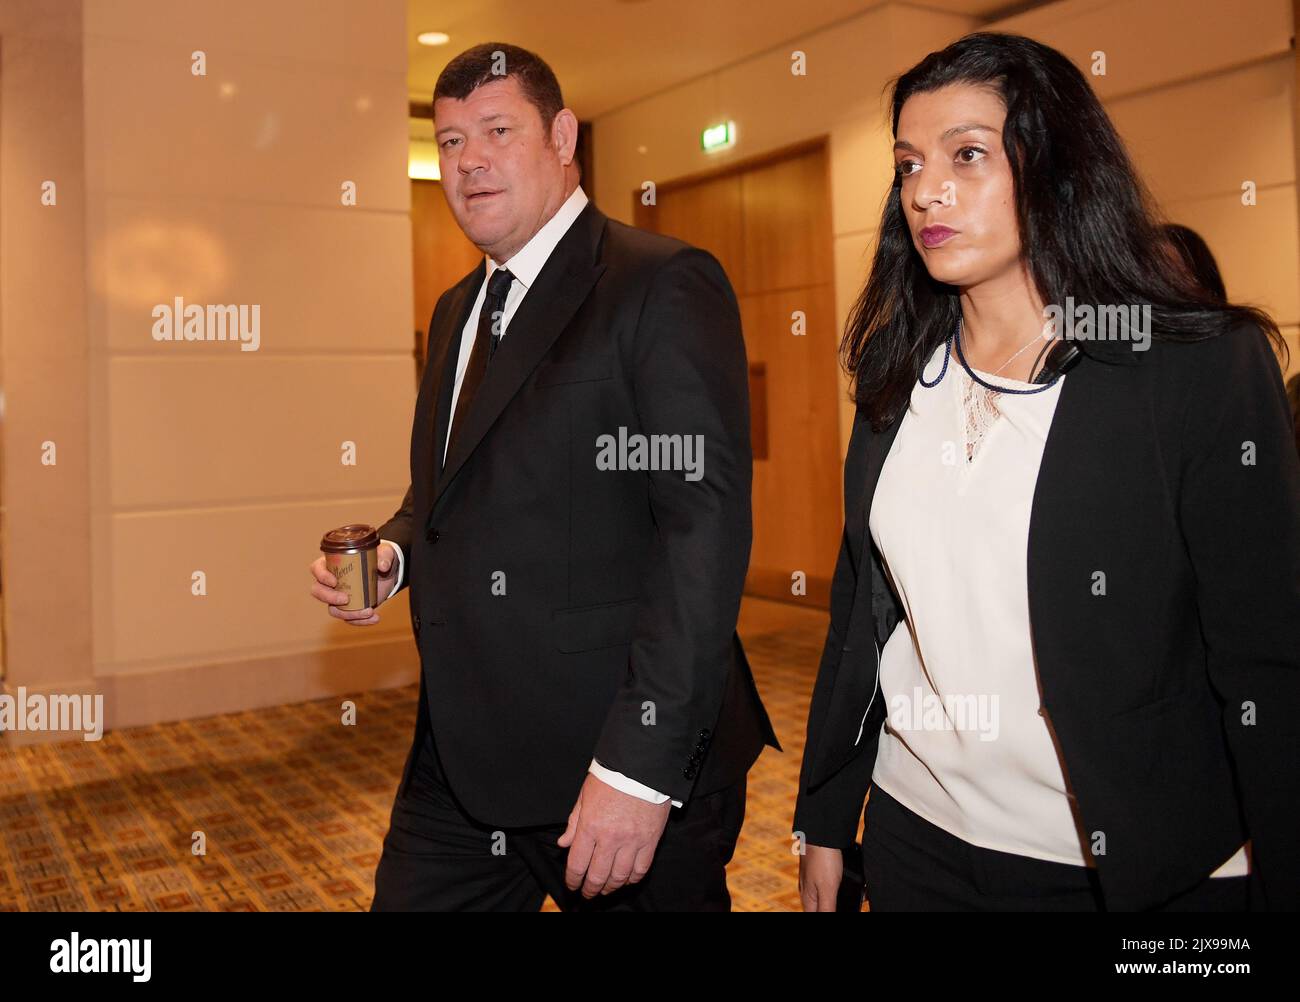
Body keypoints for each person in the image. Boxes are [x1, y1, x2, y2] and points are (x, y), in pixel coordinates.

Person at [795, 31, 1299, 912]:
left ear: (1059, 169)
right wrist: (828, 817)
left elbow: (1267, 657)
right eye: (908, 164)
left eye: (968, 155)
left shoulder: (1196, 371)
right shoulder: (895, 370)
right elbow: (861, 615)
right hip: (921, 834)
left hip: (1127, 862)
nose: (927, 191)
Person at [310, 42, 778, 911]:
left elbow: (701, 538)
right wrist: (398, 554)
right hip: (461, 759)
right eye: (449, 142)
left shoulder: (659, 284)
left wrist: (639, 768)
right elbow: (445, 492)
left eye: (496, 130)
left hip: (613, 767)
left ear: (563, 136)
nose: (469, 161)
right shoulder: (458, 308)